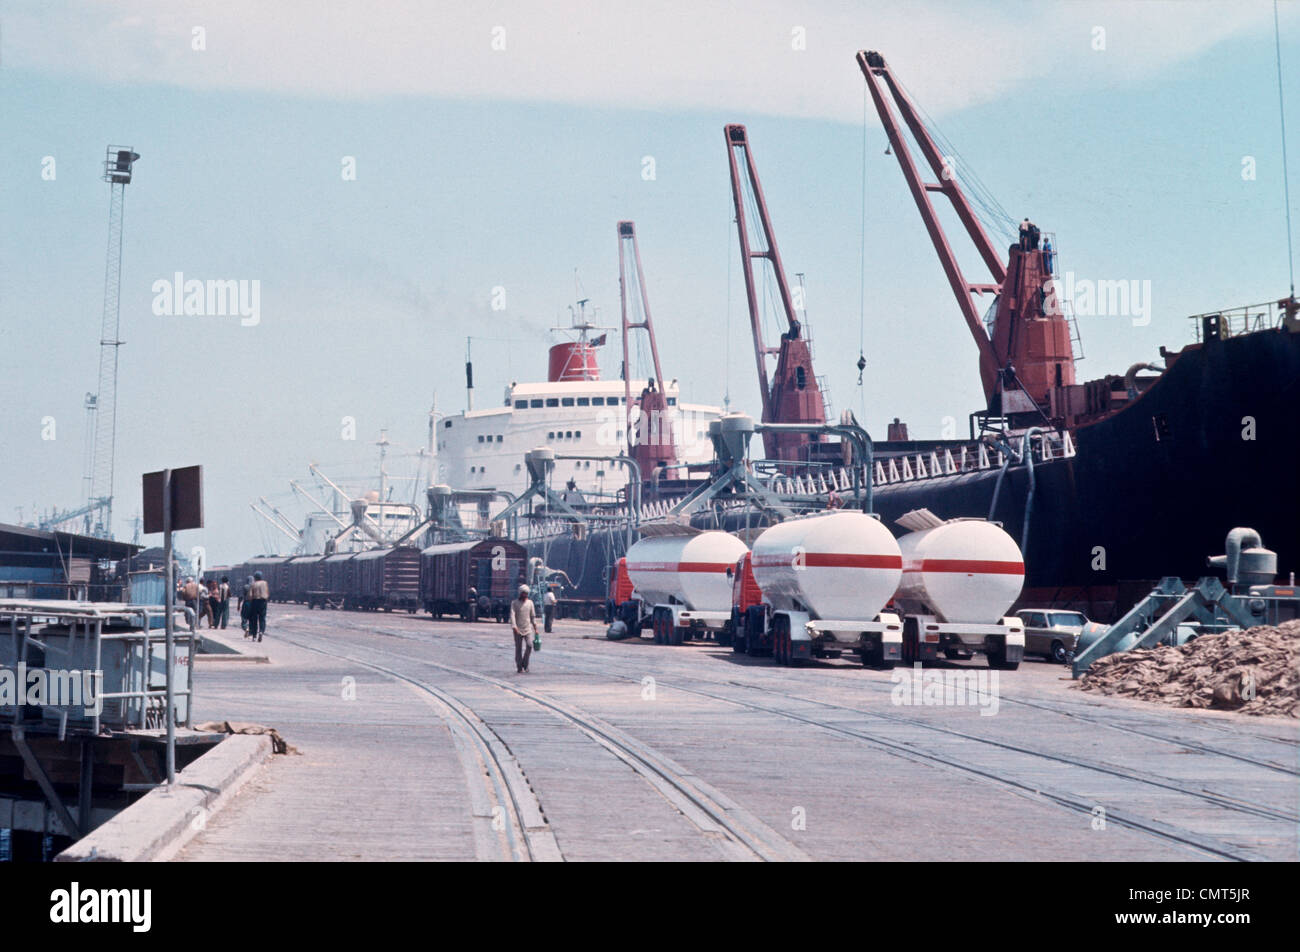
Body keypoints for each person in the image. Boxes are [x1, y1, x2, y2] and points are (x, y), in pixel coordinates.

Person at [509, 584, 539, 673]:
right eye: (523, 593)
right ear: (520, 593)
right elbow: (512, 615)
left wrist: (535, 628)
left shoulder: (530, 603)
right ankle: (519, 666)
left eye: (526, 593)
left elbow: (533, 616)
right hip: (517, 630)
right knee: (518, 649)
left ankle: (525, 664)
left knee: (529, 646)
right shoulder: (514, 603)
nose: (524, 595)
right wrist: (514, 627)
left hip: (527, 629)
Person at [247, 571, 270, 642]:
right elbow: (267, 593)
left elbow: (250, 596)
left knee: (254, 619)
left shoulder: (253, 584)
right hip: (263, 602)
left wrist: (250, 601)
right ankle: (261, 632)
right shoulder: (265, 583)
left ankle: (254, 636)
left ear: (255, 577)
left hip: (255, 602)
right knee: (262, 618)